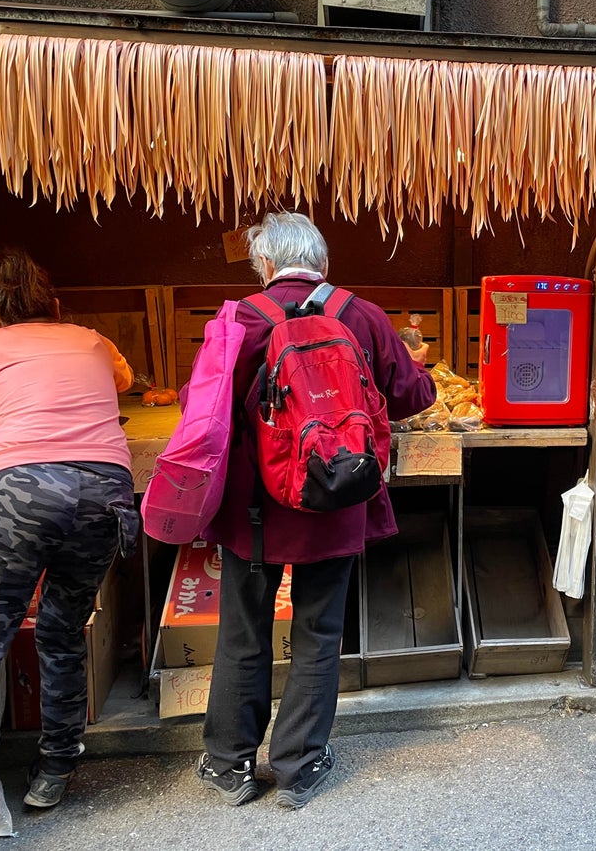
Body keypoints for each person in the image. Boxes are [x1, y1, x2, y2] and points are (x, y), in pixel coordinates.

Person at [196, 212, 435, 810]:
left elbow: (200, 409)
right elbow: (413, 395)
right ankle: (299, 767)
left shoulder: (238, 319)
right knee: (319, 632)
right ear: (321, 264)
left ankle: (229, 765)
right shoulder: (362, 315)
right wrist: (408, 360)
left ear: (266, 266)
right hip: (334, 500)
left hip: (254, 513)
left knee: (243, 632)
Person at [0, 250, 137, 851]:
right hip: (104, 491)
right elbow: (126, 382)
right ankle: (56, 768)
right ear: (54, 303)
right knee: (62, 632)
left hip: (22, 492)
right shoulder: (91, 340)